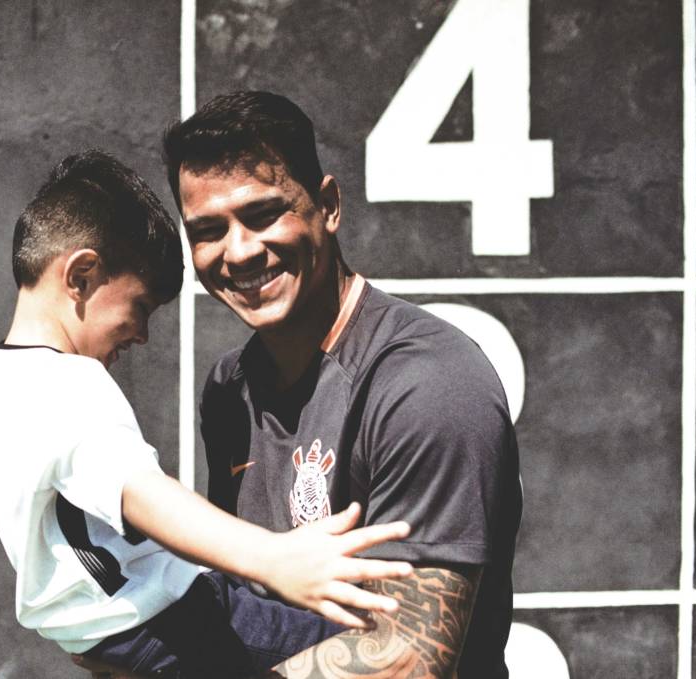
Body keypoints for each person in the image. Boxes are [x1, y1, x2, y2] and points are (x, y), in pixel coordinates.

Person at [0, 149, 416, 678]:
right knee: (394, 655)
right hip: (169, 621)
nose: (142, 335)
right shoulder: (66, 383)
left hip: (120, 635)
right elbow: (141, 494)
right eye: (139, 308)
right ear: (82, 275)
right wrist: (275, 559)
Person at [159, 91, 523, 679]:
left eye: (262, 215)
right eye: (207, 230)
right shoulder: (229, 388)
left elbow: (407, 657)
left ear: (327, 206)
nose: (240, 251)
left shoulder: (429, 382)